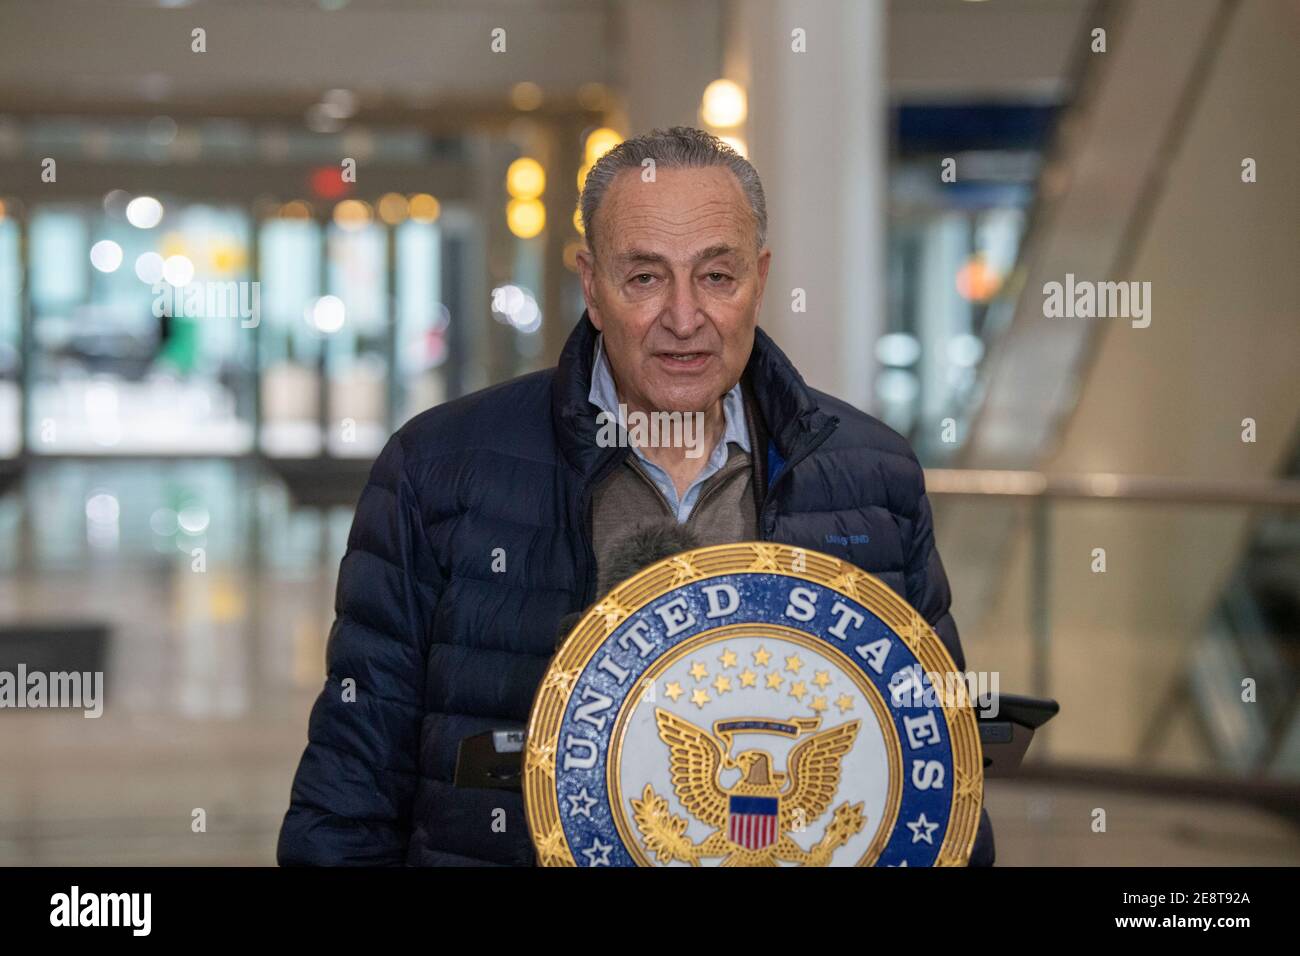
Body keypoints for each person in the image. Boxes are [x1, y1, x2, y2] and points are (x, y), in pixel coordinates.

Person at [277, 126, 994, 866]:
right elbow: (349, 793)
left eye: (717, 276)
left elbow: (942, 782)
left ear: (761, 277)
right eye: (645, 278)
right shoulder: (439, 470)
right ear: (591, 286)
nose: (684, 319)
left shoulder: (873, 477)